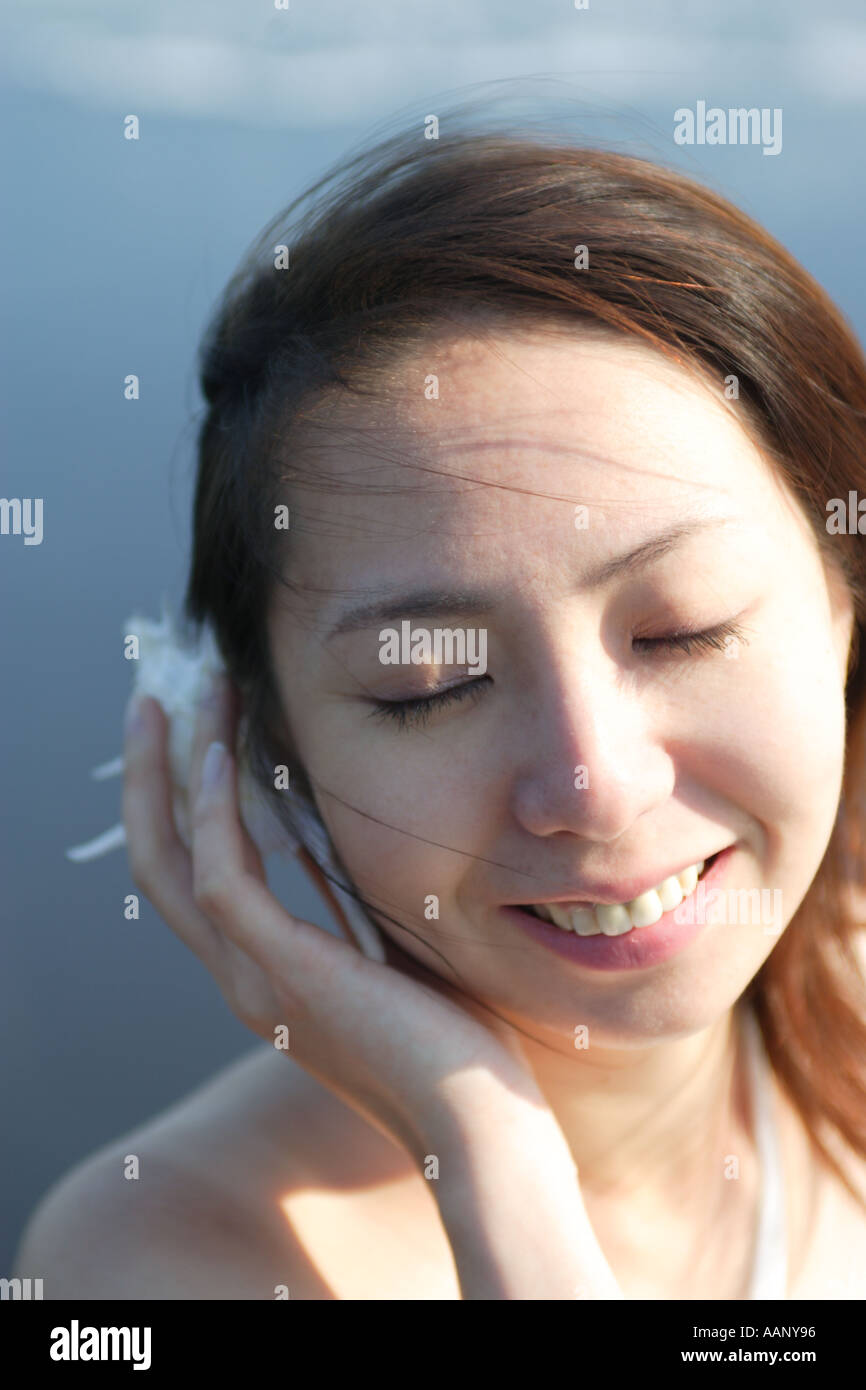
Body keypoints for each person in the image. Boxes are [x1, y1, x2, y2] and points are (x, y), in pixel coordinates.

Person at [13, 124, 866, 1300]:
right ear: (269, 750)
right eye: (432, 685)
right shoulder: (161, 1263)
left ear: (840, 609)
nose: (592, 783)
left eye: (681, 625)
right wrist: (484, 1153)